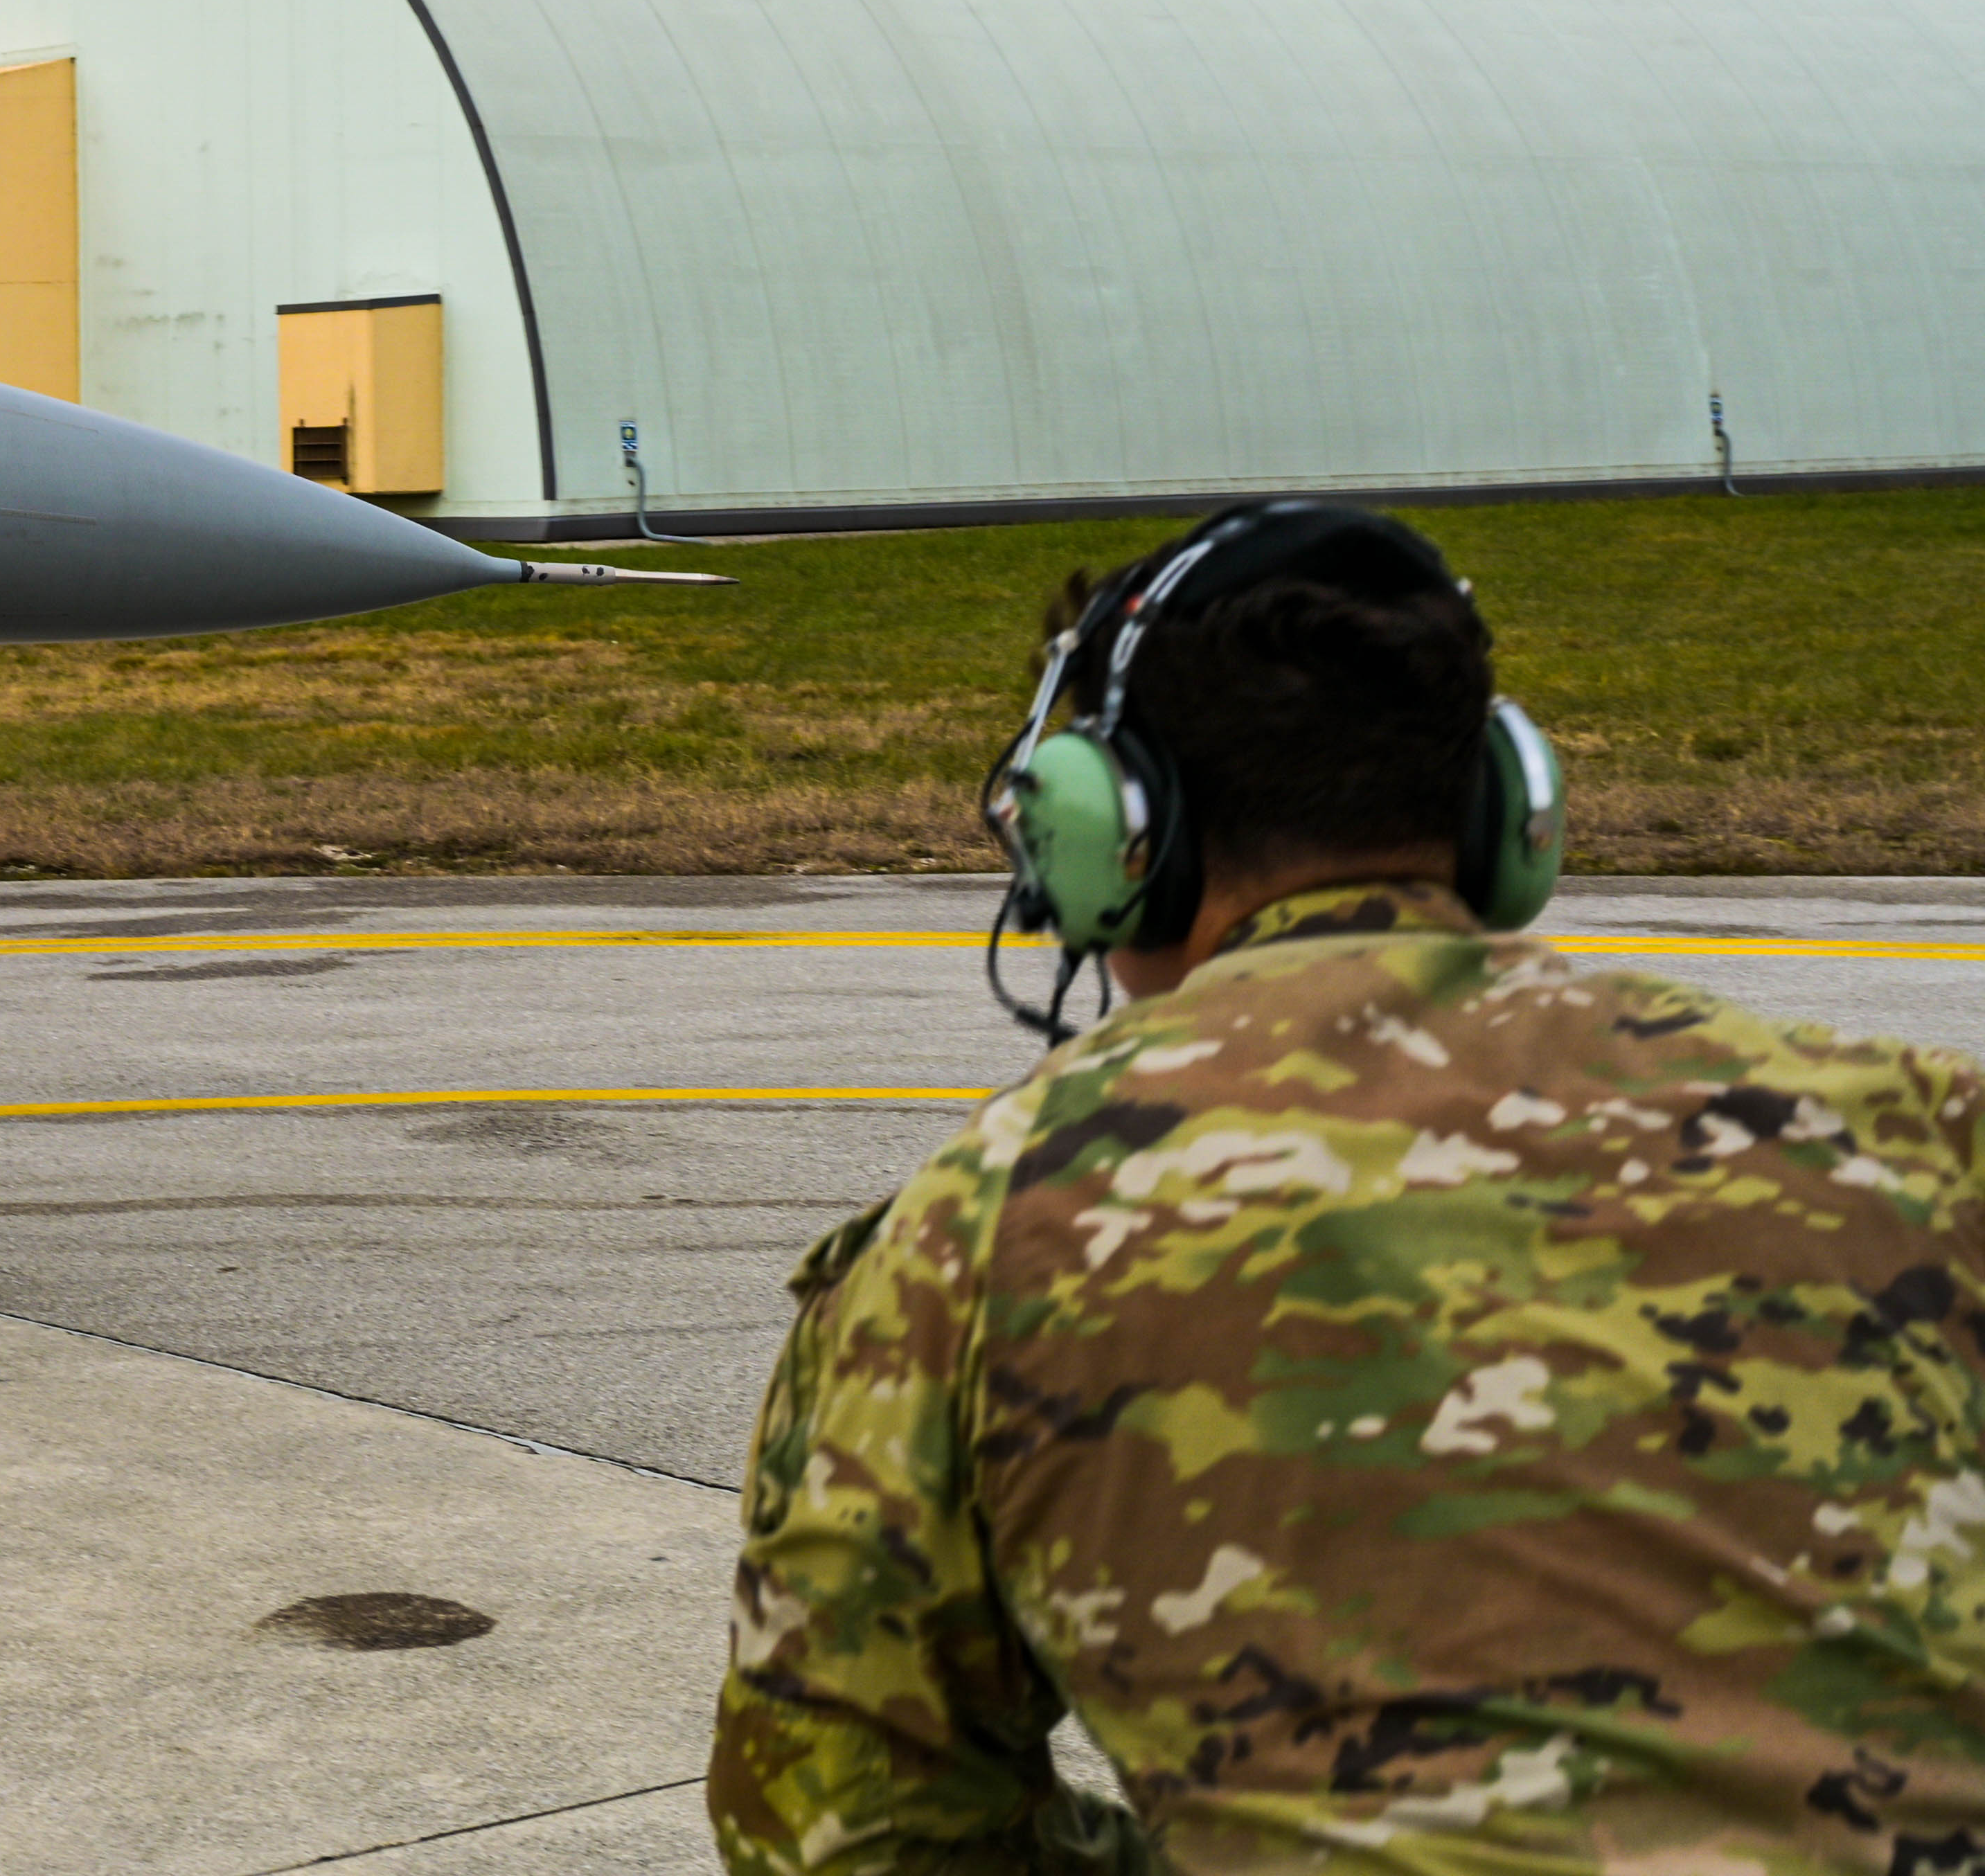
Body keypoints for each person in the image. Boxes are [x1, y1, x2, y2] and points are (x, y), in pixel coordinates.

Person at [710, 500, 1985, 1870]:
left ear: (1114, 837)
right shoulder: (1921, 1132)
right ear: (1503, 810)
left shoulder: (973, 1237)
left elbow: (848, 1827)